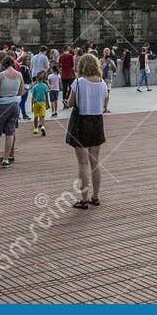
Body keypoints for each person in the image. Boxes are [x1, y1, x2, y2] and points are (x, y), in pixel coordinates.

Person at [65, 52, 108, 208]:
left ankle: (84, 199)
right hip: (97, 121)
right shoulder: (102, 83)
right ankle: (95, 197)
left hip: (81, 121)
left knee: (83, 163)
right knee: (95, 162)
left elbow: (70, 103)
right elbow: (104, 104)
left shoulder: (78, 82)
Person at [0, 57, 24, 168]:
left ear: (3, 64)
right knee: (10, 132)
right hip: (15, 105)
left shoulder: (1, 75)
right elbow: (21, 91)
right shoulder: (19, 75)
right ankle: (6, 159)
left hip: (2, 104)